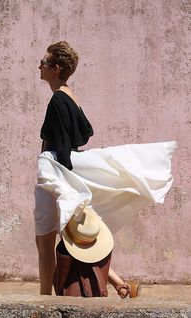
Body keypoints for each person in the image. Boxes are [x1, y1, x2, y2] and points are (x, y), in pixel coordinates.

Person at [35, 41, 142, 297]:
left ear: (56, 68)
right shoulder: (71, 96)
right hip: (64, 166)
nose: (39, 66)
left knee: (45, 239)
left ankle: (42, 300)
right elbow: (85, 132)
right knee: (75, 233)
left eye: (44, 62)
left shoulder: (57, 100)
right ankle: (118, 282)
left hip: (53, 169)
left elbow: (61, 146)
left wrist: (66, 178)